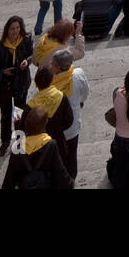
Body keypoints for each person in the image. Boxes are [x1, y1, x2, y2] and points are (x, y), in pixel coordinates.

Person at [0, 16, 32, 157]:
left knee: (19, 113)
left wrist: (27, 61)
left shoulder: (25, 41)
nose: (15, 31)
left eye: (18, 28)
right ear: (7, 30)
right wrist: (2, 72)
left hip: (21, 84)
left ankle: (20, 141)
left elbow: (31, 55)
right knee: (5, 115)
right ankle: (5, 141)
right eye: (12, 28)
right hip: (4, 87)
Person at [2, 106, 72, 190]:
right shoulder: (50, 145)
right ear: (44, 124)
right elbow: (60, 173)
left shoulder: (18, 148)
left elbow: (9, 181)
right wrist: (70, 183)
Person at [49, 47, 90, 177]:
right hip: (72, 126)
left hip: (55, 128)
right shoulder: (78, 74)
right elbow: (85, 92)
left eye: (53, 64)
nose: (50, 65)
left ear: (59, 68)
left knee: (58, 157)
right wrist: (80, 102)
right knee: (72, 156)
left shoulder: (49, 82)